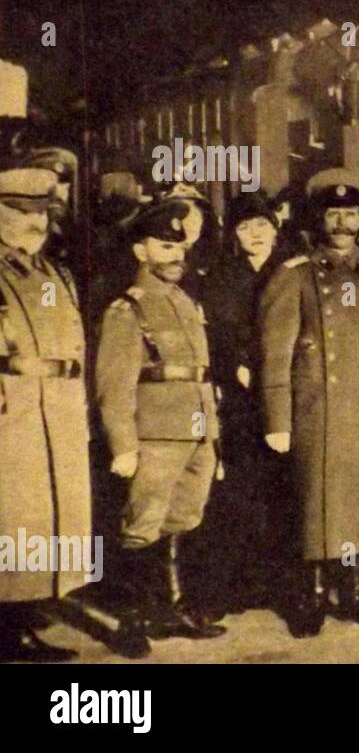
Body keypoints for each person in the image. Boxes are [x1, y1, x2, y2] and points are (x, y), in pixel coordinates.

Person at [259, 169, 359, 637]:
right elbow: (275, 353)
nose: (343, 224)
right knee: (318, 506)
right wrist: (277, 417)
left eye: (351, 214)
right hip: (317, 407)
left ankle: (353, 593)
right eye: (334, 214)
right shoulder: (295, 275)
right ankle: (311, 596)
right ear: (319, 220)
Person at [96, 197, 227, 655]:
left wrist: (211, 433)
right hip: (154, 436)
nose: (176, 256)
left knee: (182, 519)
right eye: (164, 246)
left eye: (180, 246)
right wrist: (123, 445)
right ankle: (132, 618)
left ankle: (169, 608)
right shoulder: (126, 310)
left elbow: (201, 373)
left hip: (195, 432)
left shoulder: (187, 303)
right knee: (140, 525)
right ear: (140, 251)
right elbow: (115, 387)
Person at [0, 168, 95, 662]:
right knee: (13, 519)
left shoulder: (52, 273)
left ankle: (25, 613)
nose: (34, 223)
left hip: (54, 409)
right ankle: (9, 627)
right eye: (21, 212)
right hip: (12, 411)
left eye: (42, 213)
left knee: (45, 519)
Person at [196, 191, 290, 616]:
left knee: (284, 489)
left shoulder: (292, 271)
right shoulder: (219, 276)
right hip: (238, 397)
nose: (255, 234)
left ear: (276, 228)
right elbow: (212, 334)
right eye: (245, 227)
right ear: (234, 233)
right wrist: (233, 364)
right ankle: (232, 587)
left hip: (286, 393)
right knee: (238, 490)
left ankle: (286, 589)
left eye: (262, 225)